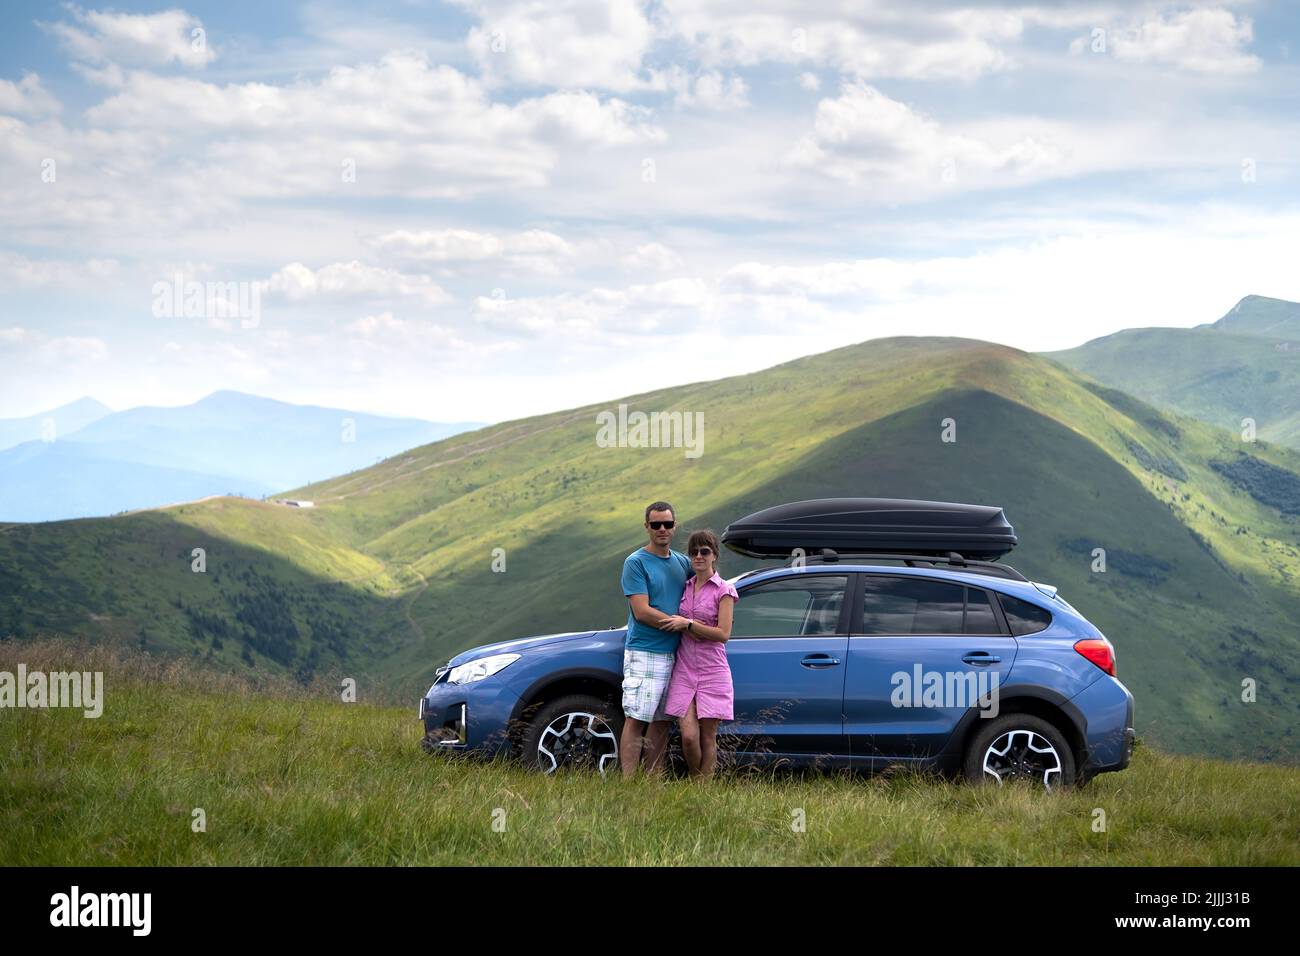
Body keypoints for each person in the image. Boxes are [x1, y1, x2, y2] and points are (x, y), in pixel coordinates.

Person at [618, 500, 691, 777]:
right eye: (656, 524)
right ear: (647, 527)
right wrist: (683, 626)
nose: (662, 529)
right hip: (645, 651)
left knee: (662, 720)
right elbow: (642, 611)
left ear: (675, 526)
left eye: (668, 524)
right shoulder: (635, 562)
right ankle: (628, 782)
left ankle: (652, 781)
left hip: (677, 654)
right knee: (636, 717)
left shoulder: (683, 562)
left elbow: (708, 585)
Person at [659, 529, 737, 779]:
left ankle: (703, 788)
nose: (699, 556)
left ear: (714, 555)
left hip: (713, 669)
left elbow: (723, 634)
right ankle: (695, 778)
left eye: (704, 551)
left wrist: (688, 625)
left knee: (708, 736)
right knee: (689, 736)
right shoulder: (686, 586)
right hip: (684, 669)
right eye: (694, 552)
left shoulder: (724, 590)